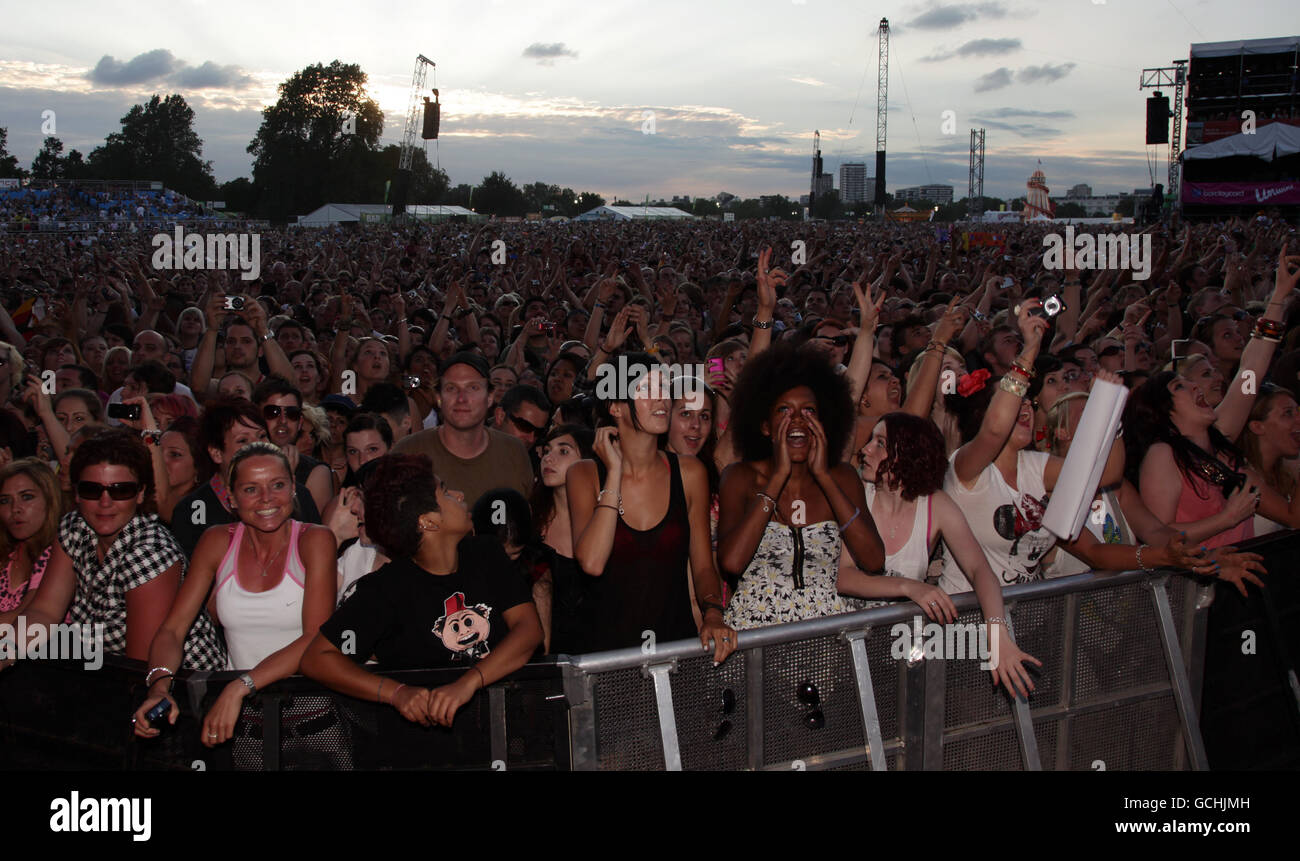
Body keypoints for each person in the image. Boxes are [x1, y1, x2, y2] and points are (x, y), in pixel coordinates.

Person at [301, 454, 544, 728]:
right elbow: (316, 658)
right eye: (444, 491)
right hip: (423, 748)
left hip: (501, 734)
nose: (459, 494)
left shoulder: (485, 554)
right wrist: (395, 693)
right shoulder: (386, 588)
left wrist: (468, 683)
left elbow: (528, 630)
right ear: (428, 521)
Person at [132, 442, 336, 746]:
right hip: (242, 723)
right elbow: (172, 631)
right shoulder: (216, 540)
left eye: (277, 485)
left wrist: (241, 685)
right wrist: (159, 688)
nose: (267, 498)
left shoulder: (315, 540)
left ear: (294, 488)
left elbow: (314, 639)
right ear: (231, 498)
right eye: (251, 489)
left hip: (312, 720)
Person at [849, 413, 1039, 696]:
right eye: (870, 441)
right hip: (845, 649)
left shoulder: (935, 504)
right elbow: (843, 577)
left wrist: (998, 635)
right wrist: (910, 586)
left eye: (880, 443)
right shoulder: (855, 493)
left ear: (909, 455)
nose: (865, 449)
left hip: (896, 652)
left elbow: (979, 570)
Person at [568, 352, 736, 660]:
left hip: (676, 646)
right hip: (604, 654)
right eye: (647, 390)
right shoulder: (584, 474)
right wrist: (615, 472)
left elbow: (701, 565)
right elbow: (592, 562)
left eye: (664, 388)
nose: (662, 400)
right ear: (615, 406)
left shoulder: (689, 473)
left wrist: (713, 613)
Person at [11, 428, 225, 667]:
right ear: (77, 494)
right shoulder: (74, 527)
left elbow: (138, 666)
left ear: (141, 494)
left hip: (181, 686)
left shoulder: (150, 553)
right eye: (92, 490)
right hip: (104, 670)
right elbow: (45, 612)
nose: (105, 502)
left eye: (120, 490)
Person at [717, 343, 886, 629]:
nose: (797, 419)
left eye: (808, 411)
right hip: (756, 637)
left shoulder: (842, 477)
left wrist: (824, 478)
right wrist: (778, 478)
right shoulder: (740, 477)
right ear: (765, 426)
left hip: (826, 638)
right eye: (784, 410)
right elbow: (732, 562)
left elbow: (873, 560)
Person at [169, 398, 322, 558]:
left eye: (262, 436)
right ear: (216, 453)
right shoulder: (191, 510)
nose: (257, 446)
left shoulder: (298, 494)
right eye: (243, 440)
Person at [392, 352, 533, 509]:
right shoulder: (408, 452)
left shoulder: (514, 451)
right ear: (439, 397)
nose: (462, 398)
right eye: (451, 388)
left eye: (473, 387)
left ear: (490, 397)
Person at [530, 424, 594, 653]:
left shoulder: (606, 520)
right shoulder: (530, 523)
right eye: (546, 450)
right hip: (547, 656)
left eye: (563, 451)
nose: (549, 458)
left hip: (601, 651)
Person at [253, 376, 333, 513]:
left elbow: (311, 530)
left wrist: (286, 477)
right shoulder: (241, 464)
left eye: (292, 414)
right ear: (256, 416)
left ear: (300, 423)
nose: (283, 420)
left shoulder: (316, 472)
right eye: (273, 412)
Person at [0, 459, 62, 617]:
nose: (15, 509)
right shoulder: (7, 553)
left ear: (49, 500)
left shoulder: (58, 553)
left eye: (27, 497)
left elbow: (25, 616)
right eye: (5, 501)